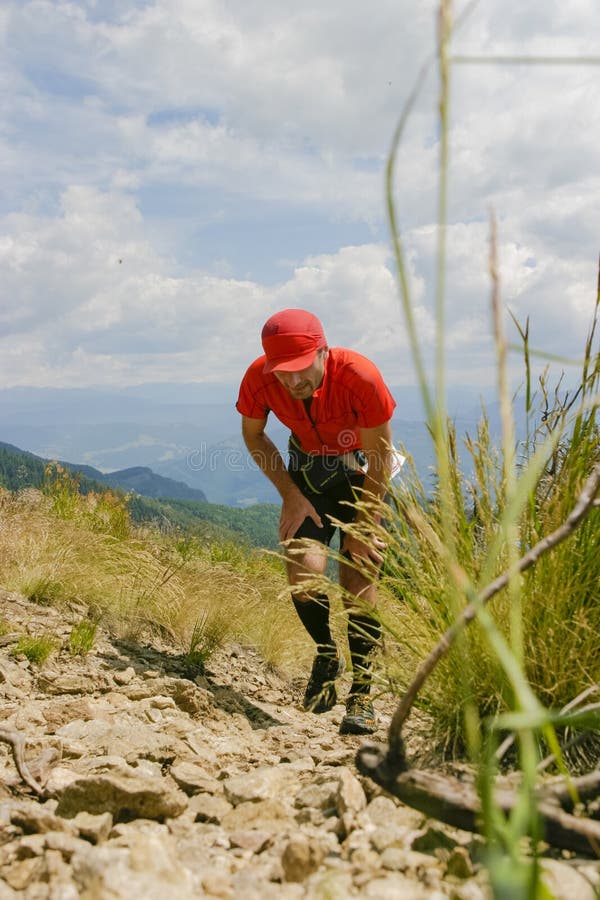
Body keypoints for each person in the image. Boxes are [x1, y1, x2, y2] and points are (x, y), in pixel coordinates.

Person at [236, 308, 396, 735]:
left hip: (363, 478)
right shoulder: (259, 377)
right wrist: (289, 495)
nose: (292, 381)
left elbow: (381, 455)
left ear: (323, 350)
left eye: (300, 368)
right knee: (303, 575)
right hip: (308, 480)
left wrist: (364, 524)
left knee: (359, 581)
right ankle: (327, 656)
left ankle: (363, 690)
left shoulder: (360, 376)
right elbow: (253, 434)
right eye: (281, 372)